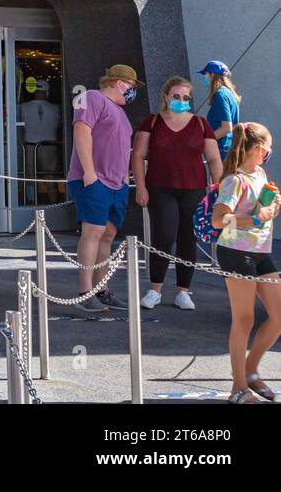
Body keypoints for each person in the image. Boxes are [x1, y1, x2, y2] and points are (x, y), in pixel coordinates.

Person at [132, 76, 222, 310]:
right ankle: (155, 289)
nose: (181, 100)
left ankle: (183, 291)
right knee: (163, 235)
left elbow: (213, 159)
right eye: (176, 96)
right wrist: (140, 186)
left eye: (185, 97)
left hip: (193, 189)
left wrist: (219, 189)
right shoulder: (152, 122)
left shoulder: (201, 124)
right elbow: (138, 155)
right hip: (160, 188)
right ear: (166, 96)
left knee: (187, 238)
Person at [210, 122, 279, 403]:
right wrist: (254, 217)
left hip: (261, 251)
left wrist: (272, 208)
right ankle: (238, 387)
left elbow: (262, 210)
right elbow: (219, 219)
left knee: (278, 316)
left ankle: (251, 371)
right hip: (236, 251)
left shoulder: (260, 173)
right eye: (269, 147)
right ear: (260, 149)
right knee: (244, 319)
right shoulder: (234, 180)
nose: (270, 151)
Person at [67, 64, 142, 312]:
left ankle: (102, 289)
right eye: (131, 85)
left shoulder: (119, 112)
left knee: (107, 234)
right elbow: (82, 131)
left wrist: (123, 178)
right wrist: (89, 173)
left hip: (115, 183)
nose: (132, 91)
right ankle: (84, 290)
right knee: (93, 231)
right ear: (119, 82)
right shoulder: (91, 97)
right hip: (94, 180)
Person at [200, 59, 241, 161]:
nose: (204, 77)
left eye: (205, 74)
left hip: (222, 152)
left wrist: (204, 141)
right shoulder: (228, 93)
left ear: (212, 75)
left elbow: (226, 128)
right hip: (227, 150)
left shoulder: (220, 95)